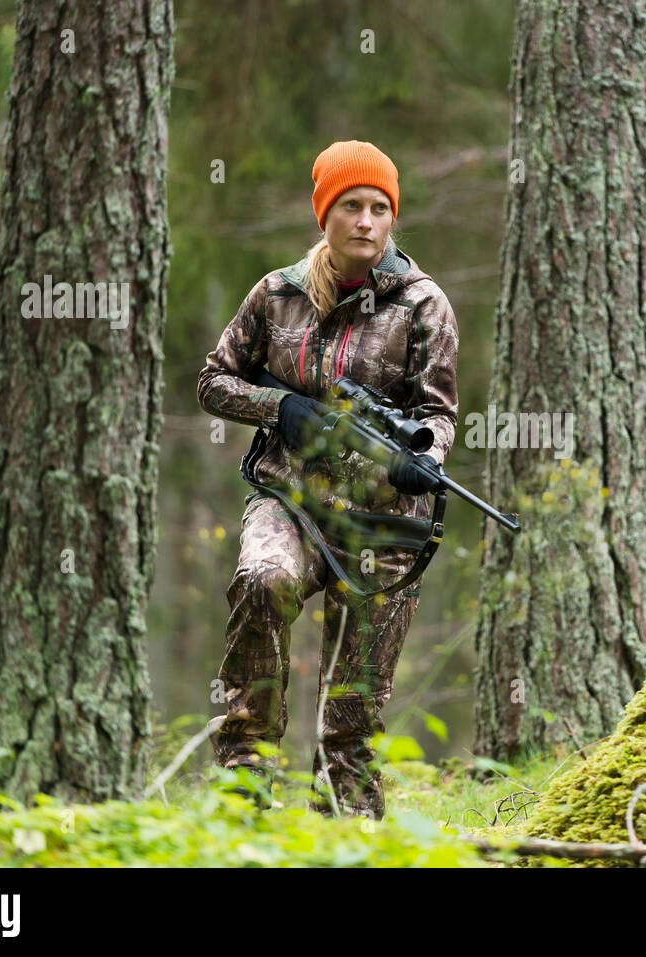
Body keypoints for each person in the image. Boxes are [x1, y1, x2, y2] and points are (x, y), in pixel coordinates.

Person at [196, 140, 459, 818]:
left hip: (386, 521)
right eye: (352, 206)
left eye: (379, 208)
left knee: (354, 710)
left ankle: (343, 832)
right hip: (290, 497)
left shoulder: (425, 304)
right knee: (262, 580)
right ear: (326, 215)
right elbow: (212, 380)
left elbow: (438, 414)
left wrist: (423, 458)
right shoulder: (277, 295)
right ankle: (244, 788)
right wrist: (280, 406)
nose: (367, 221)